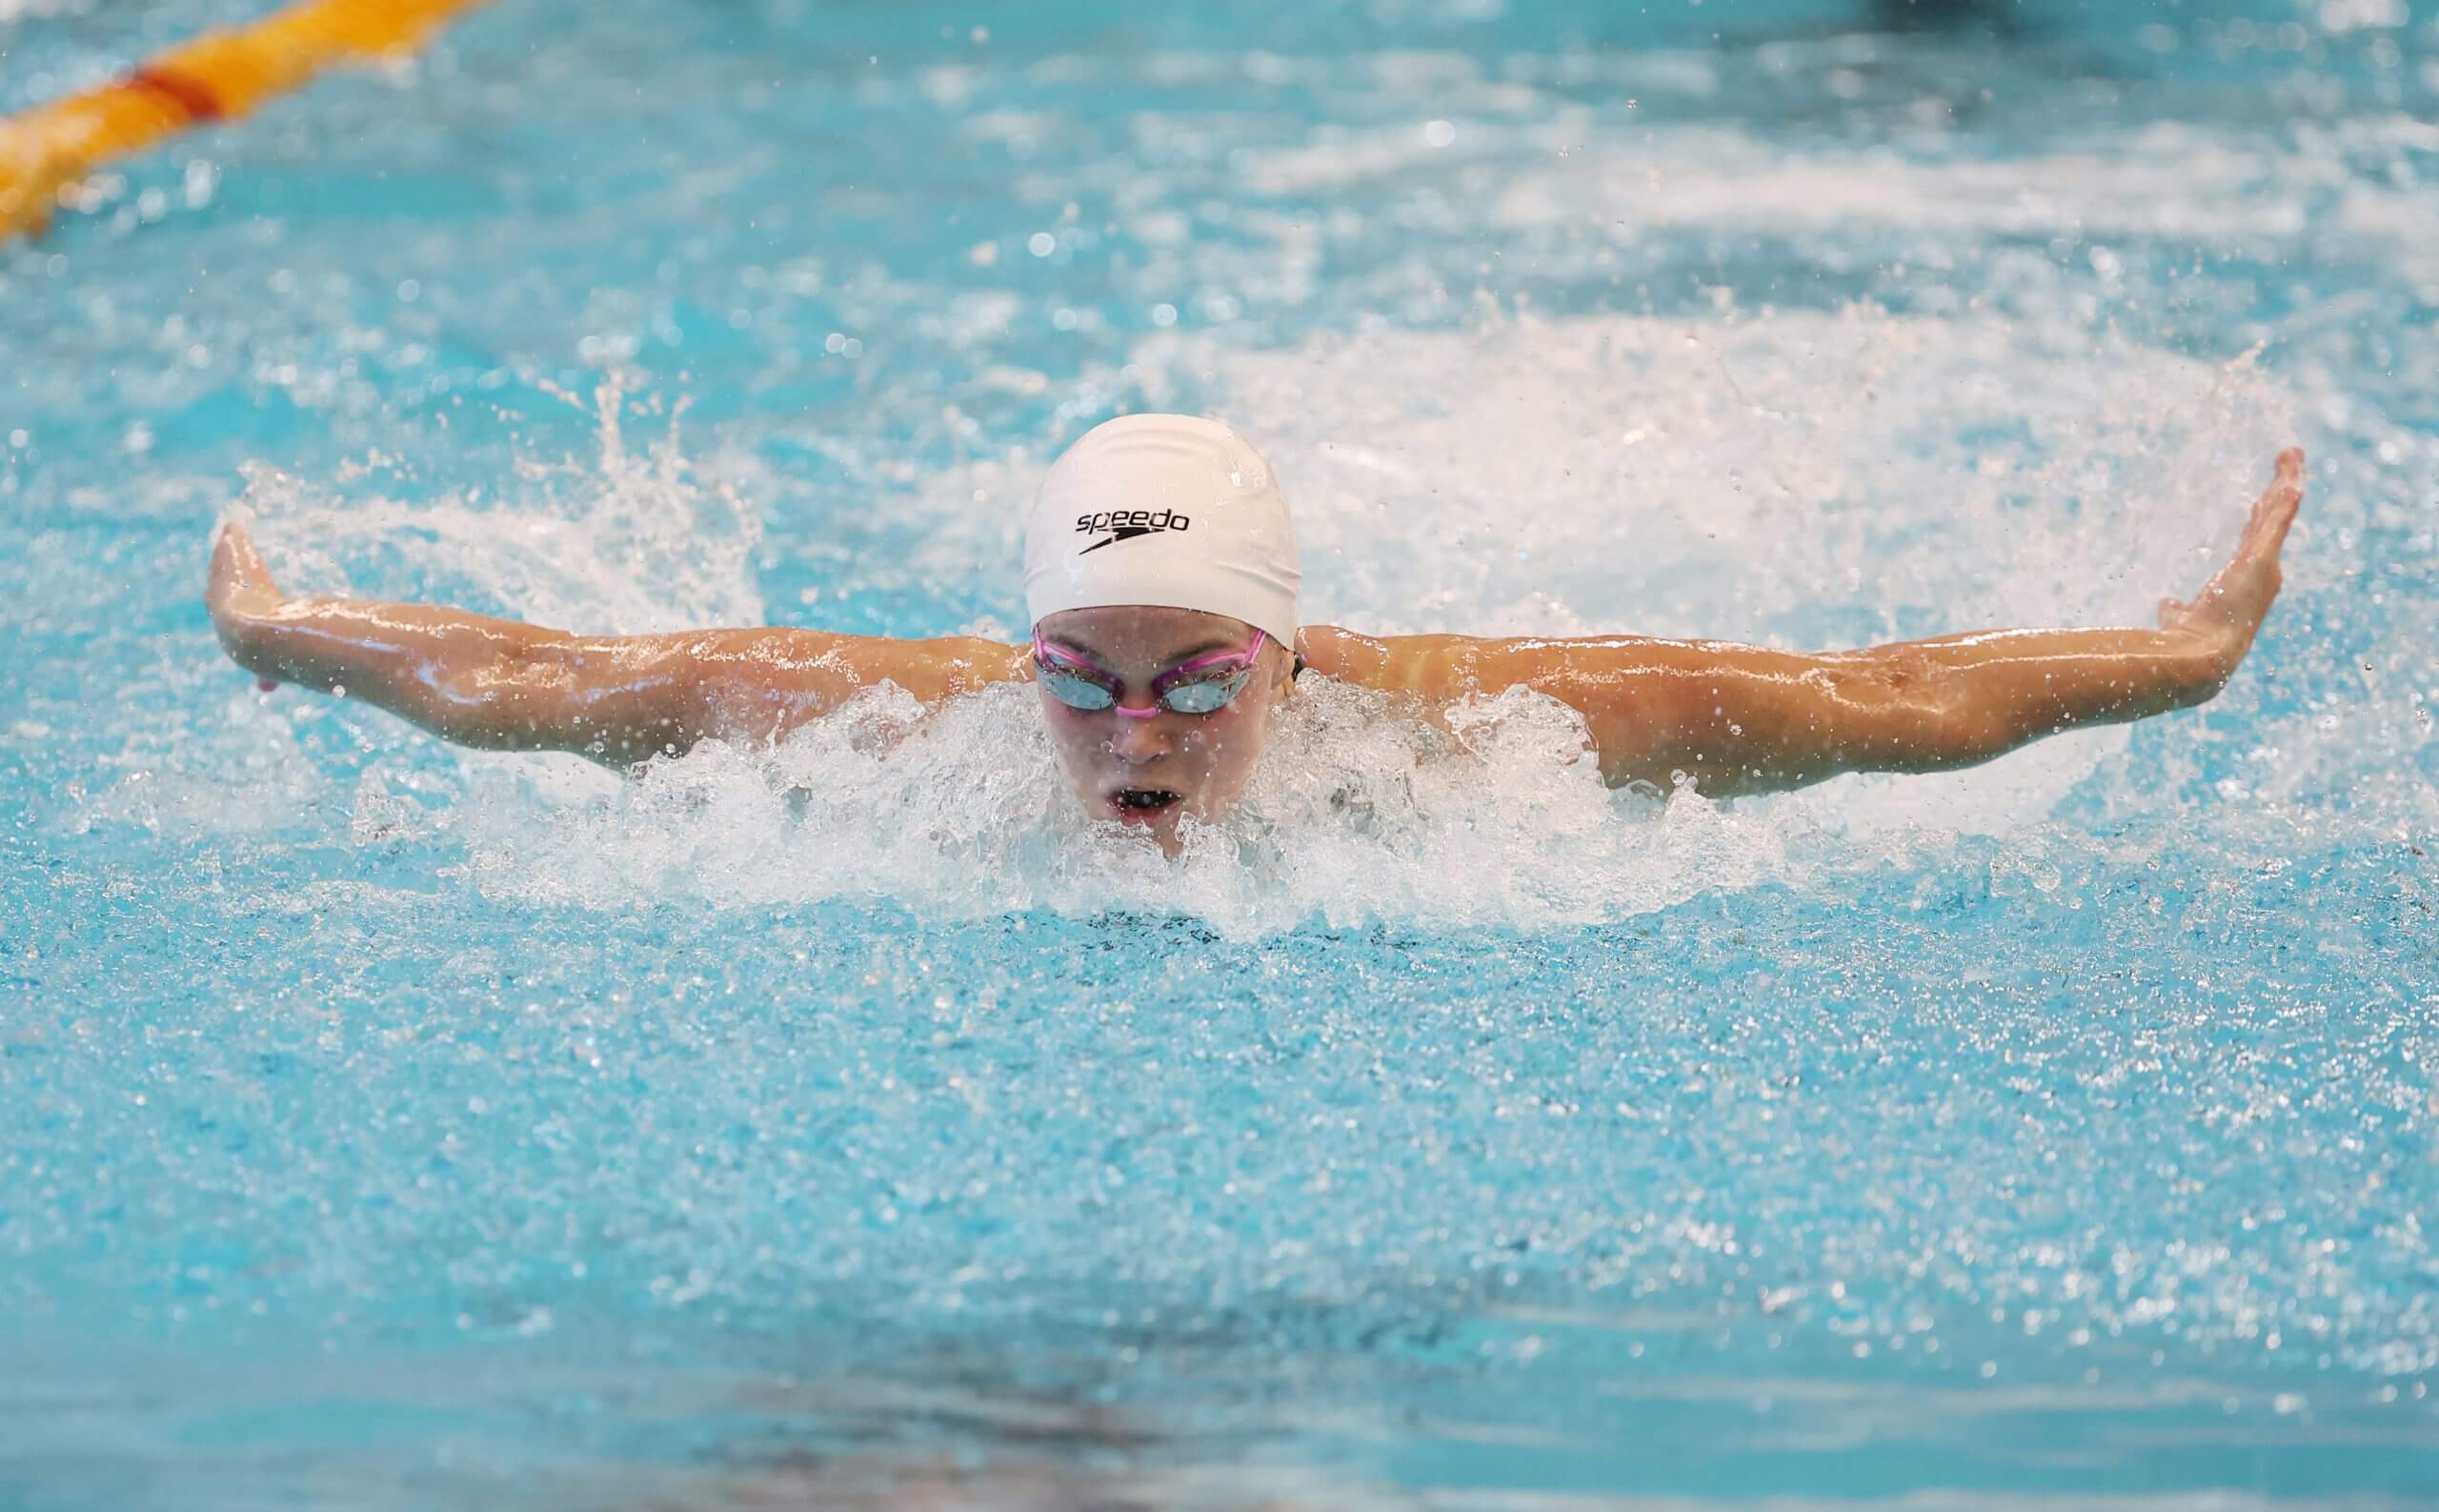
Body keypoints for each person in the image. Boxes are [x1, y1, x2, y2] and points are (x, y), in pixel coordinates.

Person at [206, 414, 2306, 857]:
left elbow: (1884, 703)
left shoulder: (1485, 744)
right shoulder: (888, 729)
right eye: (1085, 675)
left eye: (1199, 677)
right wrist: (292, 630)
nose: (1137, 731)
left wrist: (2179, 651)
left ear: (1287, 669)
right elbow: (553, 681)